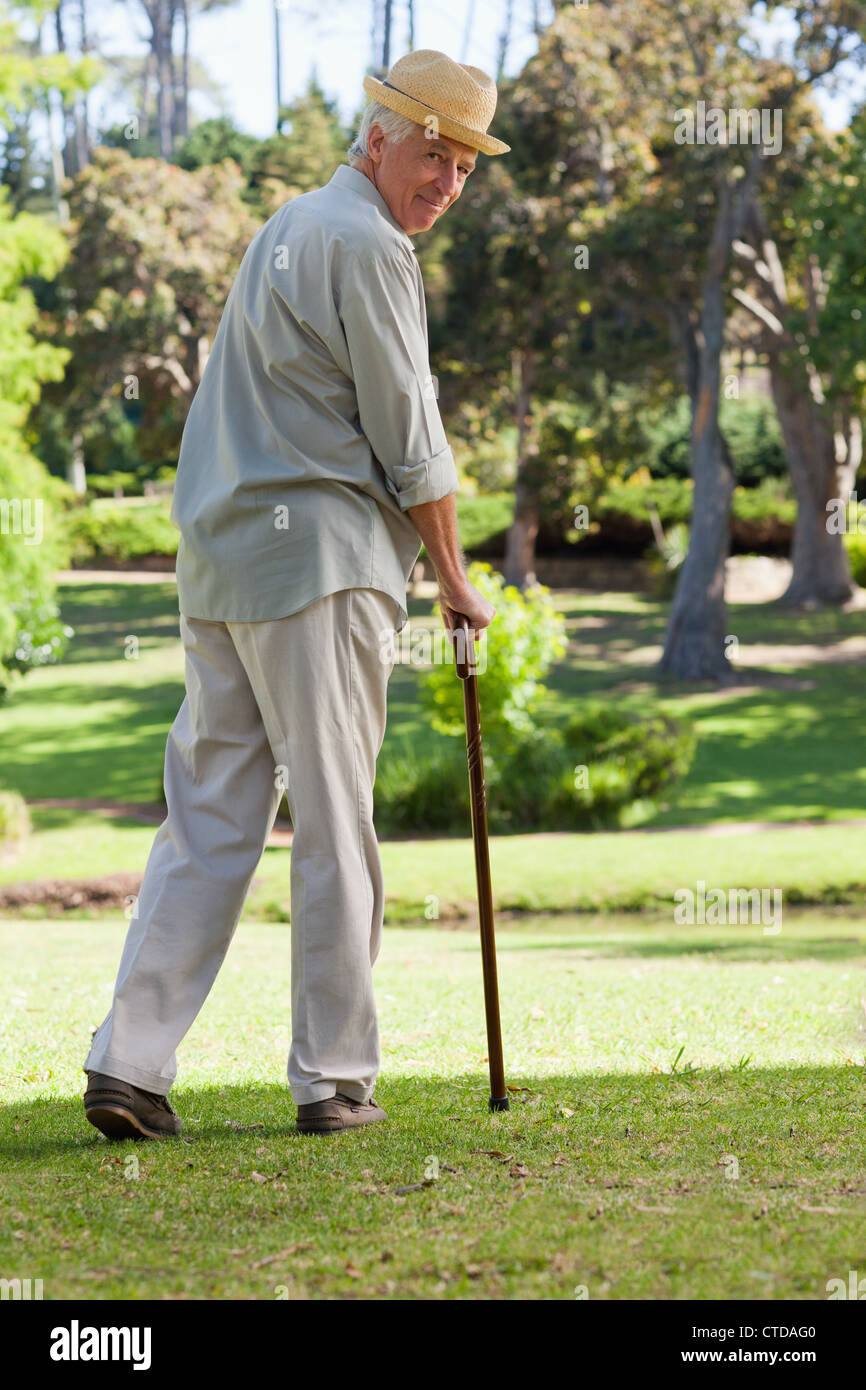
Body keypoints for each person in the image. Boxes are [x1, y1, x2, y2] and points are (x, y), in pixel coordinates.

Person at [82, 50, 511, 1138]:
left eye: (463, 167)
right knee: (333, 820)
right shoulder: (368, 245)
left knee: (210, 818)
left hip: (224, 567)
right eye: (432, 153)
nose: (445, 183)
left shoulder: (284, 228)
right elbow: (411, 438)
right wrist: (457, 580)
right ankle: (332, 1079)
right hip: (318, 567)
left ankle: (128, 1065)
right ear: (378, 135)